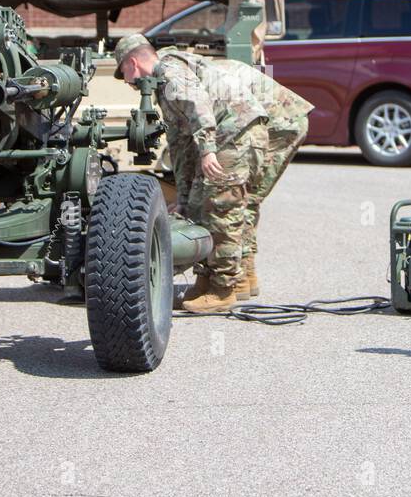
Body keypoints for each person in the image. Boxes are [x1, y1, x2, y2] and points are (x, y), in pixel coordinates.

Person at [114, 34, 312, 314]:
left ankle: (223, 289)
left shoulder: (169, 72)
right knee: (209, 203)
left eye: (123, 72)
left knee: (221, 206)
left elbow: (199, 106)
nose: (126, 81)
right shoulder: (166, 80)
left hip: (236, 134)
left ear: (132, 63)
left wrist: (207, 151)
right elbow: (180, 147)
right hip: (236, 133)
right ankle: (231, 278)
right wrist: (182, 197)